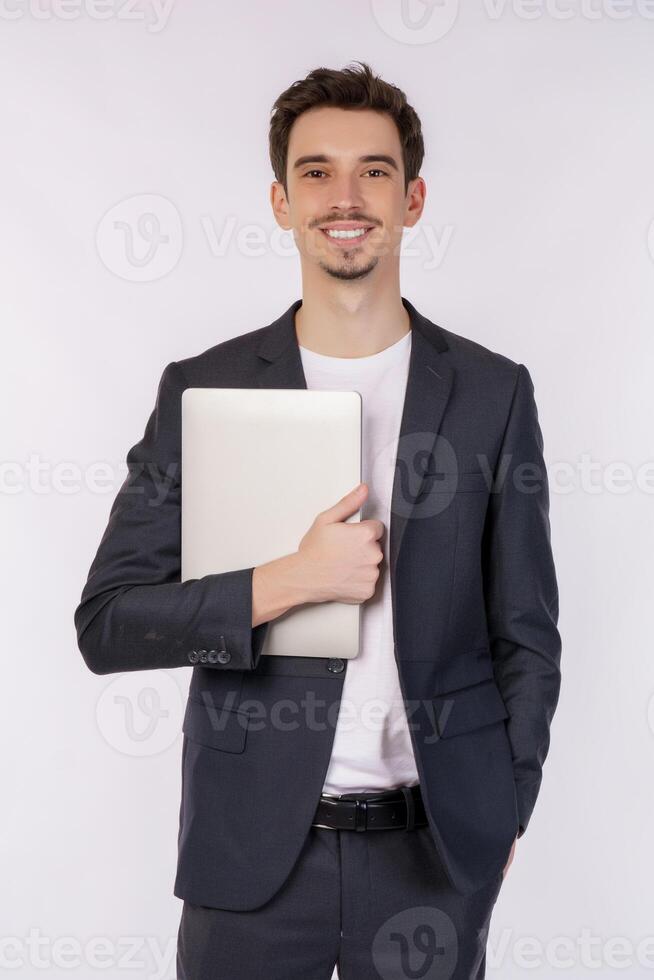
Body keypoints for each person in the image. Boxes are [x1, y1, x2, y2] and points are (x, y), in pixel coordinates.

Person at [75, 61, 562, 979]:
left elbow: (527, 637)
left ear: (413, 200)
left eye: (374, 171)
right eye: (316, 172)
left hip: (435, 859)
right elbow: (108, 623)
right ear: (281, 202)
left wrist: (507, 807)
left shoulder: (493, 393)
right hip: (250, 856)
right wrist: (286, 582)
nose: (346, 197)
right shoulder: (205, 388)